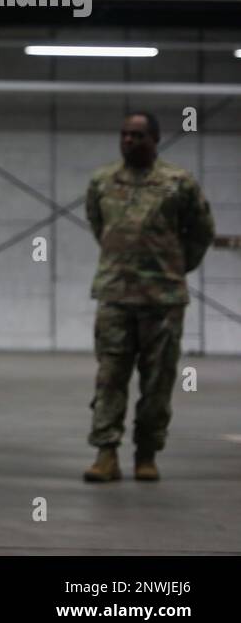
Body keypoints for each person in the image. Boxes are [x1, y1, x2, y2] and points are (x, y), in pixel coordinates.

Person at [83, 112, 214, 483]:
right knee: (110, 377)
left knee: (157, 381)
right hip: (115, 296)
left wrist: (173, 267)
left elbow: (201, 231)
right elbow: (99, 225)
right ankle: (105, 452)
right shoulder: (102, 181)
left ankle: (147, 453)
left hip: (163, 299)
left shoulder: (178, 183)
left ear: (154, 140)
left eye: (137, 136)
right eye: (124, 135)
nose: (128, 141)